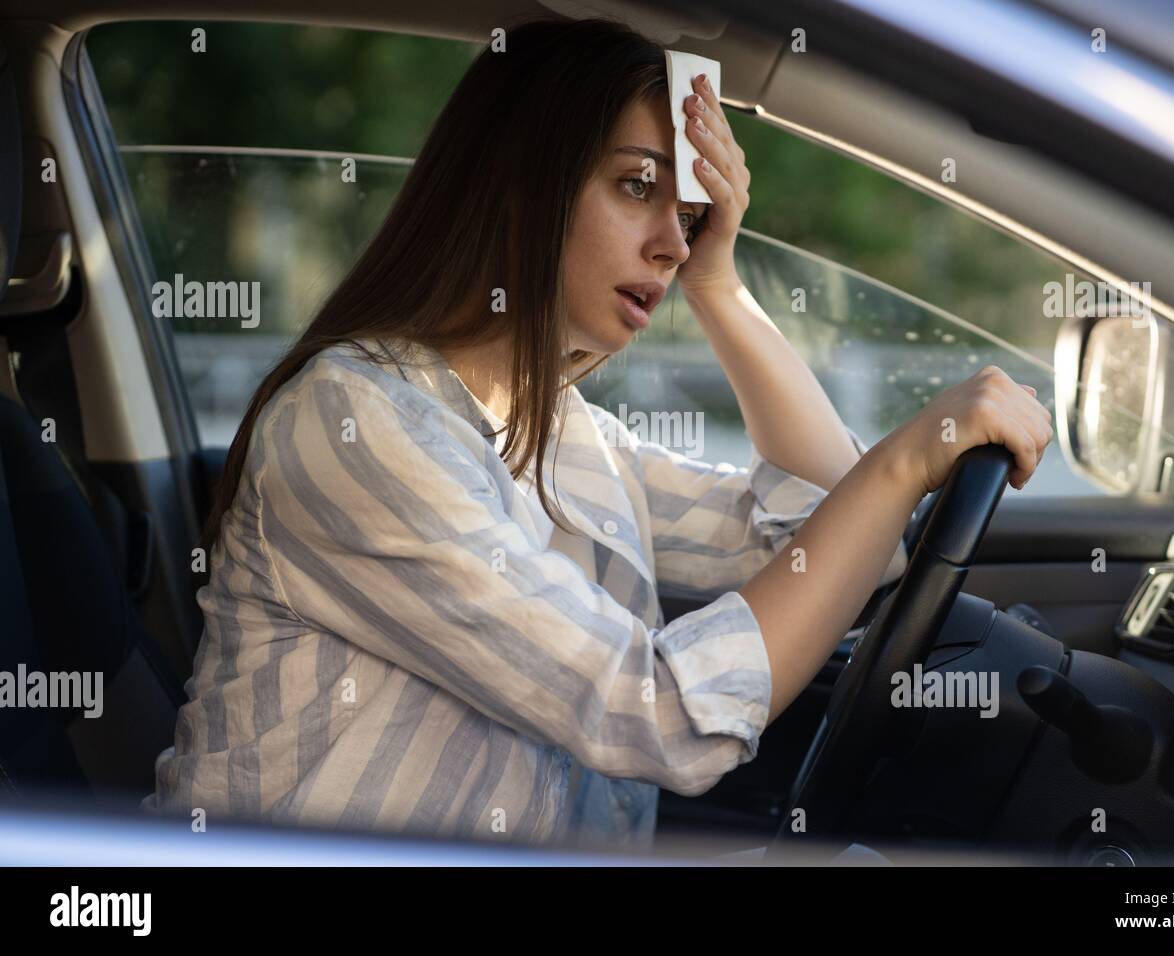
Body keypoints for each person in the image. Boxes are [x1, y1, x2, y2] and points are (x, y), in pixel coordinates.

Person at [151, 17, 1052, 850]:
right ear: (517, 184)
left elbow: (827, 536)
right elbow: (657, 710)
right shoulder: (353, 424)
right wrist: (907, 455)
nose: (673, 244)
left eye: (690, 218)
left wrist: (720, 285)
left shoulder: (563, 431)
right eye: (636, 188)